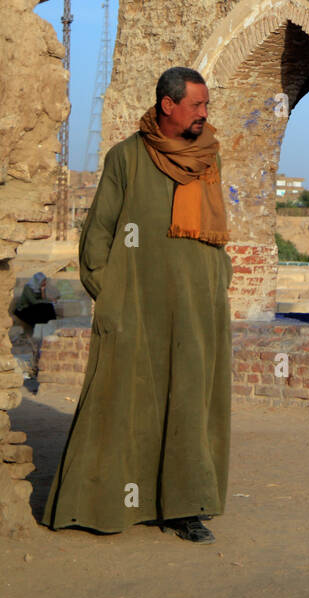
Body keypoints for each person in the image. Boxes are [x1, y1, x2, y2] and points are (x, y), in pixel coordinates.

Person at [42, 67, 233, 543]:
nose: (204, 114)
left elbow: (214, 231)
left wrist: (217, 280)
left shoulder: (208, 157)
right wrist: (108, 293)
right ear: (168, 105)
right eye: (196, 106)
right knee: (124, 400)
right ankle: (108, 503)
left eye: (206, 105)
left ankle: (187, 507)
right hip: (137, 303)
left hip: (196, 305)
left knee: (190, 399)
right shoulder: (126, 157)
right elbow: (99, 233)